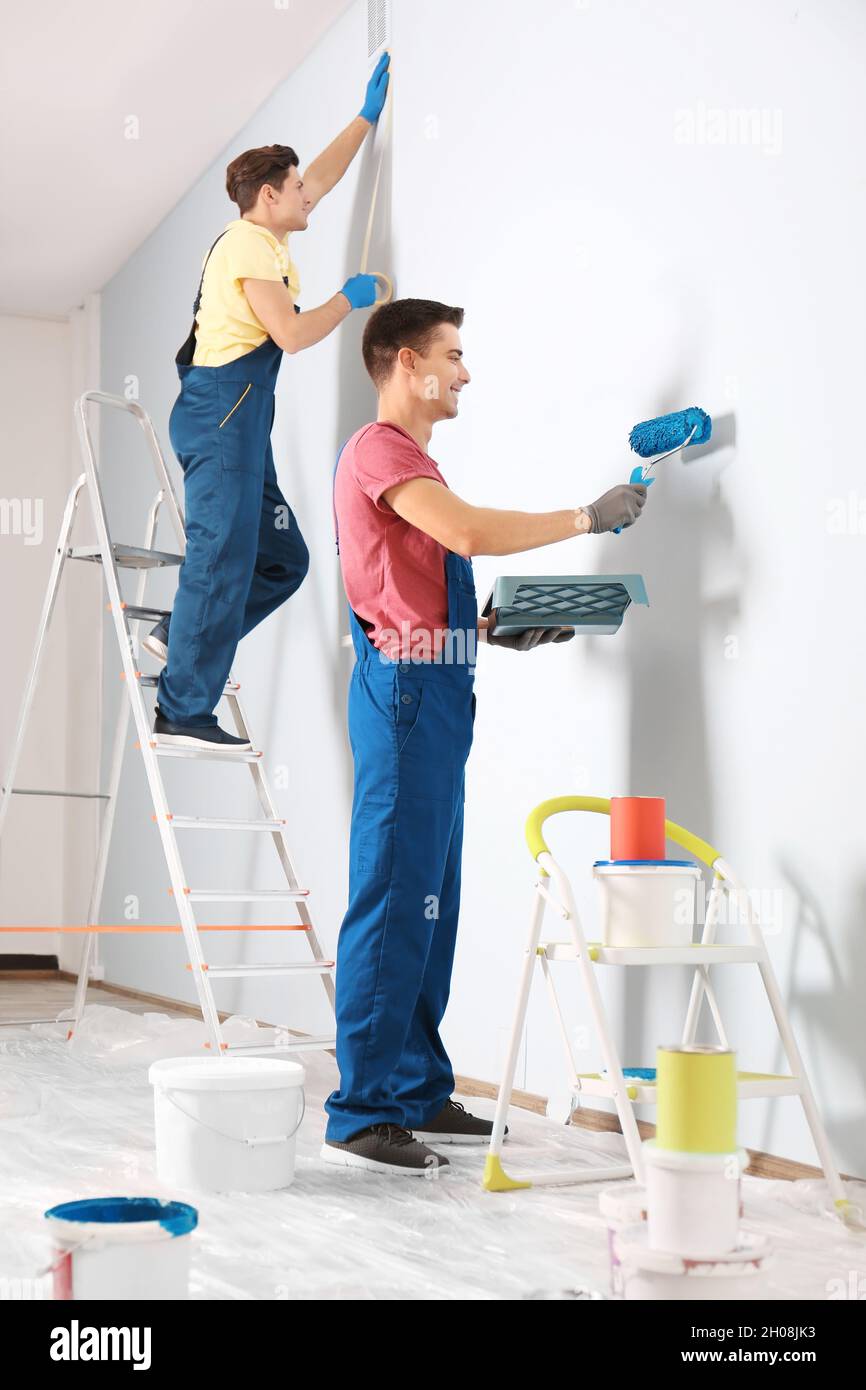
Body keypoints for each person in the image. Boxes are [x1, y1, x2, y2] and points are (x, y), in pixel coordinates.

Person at [322, 297, 648, 1174]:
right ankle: (361, 1108)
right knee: (395, 897)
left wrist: (495, 625)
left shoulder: (415, 465)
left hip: (439, 686)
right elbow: (465, 532)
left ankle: (415, 1090)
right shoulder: (380, 450)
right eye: (452, 355)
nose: (465, 373)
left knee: (433, 898)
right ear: (402, 363)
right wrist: (587, 518)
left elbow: (418, 587)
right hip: (405, 700)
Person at [144, 54, 392, 750]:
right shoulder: (247, 248)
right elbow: (289, 332)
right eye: (295, 190)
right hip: (220, 415)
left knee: (282, 560)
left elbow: (324, 174)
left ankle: (179, 634)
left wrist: (366, 118)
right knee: (219, 555)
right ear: (266, 197)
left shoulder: (269, 232)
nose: (306, 196)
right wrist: (350, 298)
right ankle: (184, 708)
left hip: (243, 424)